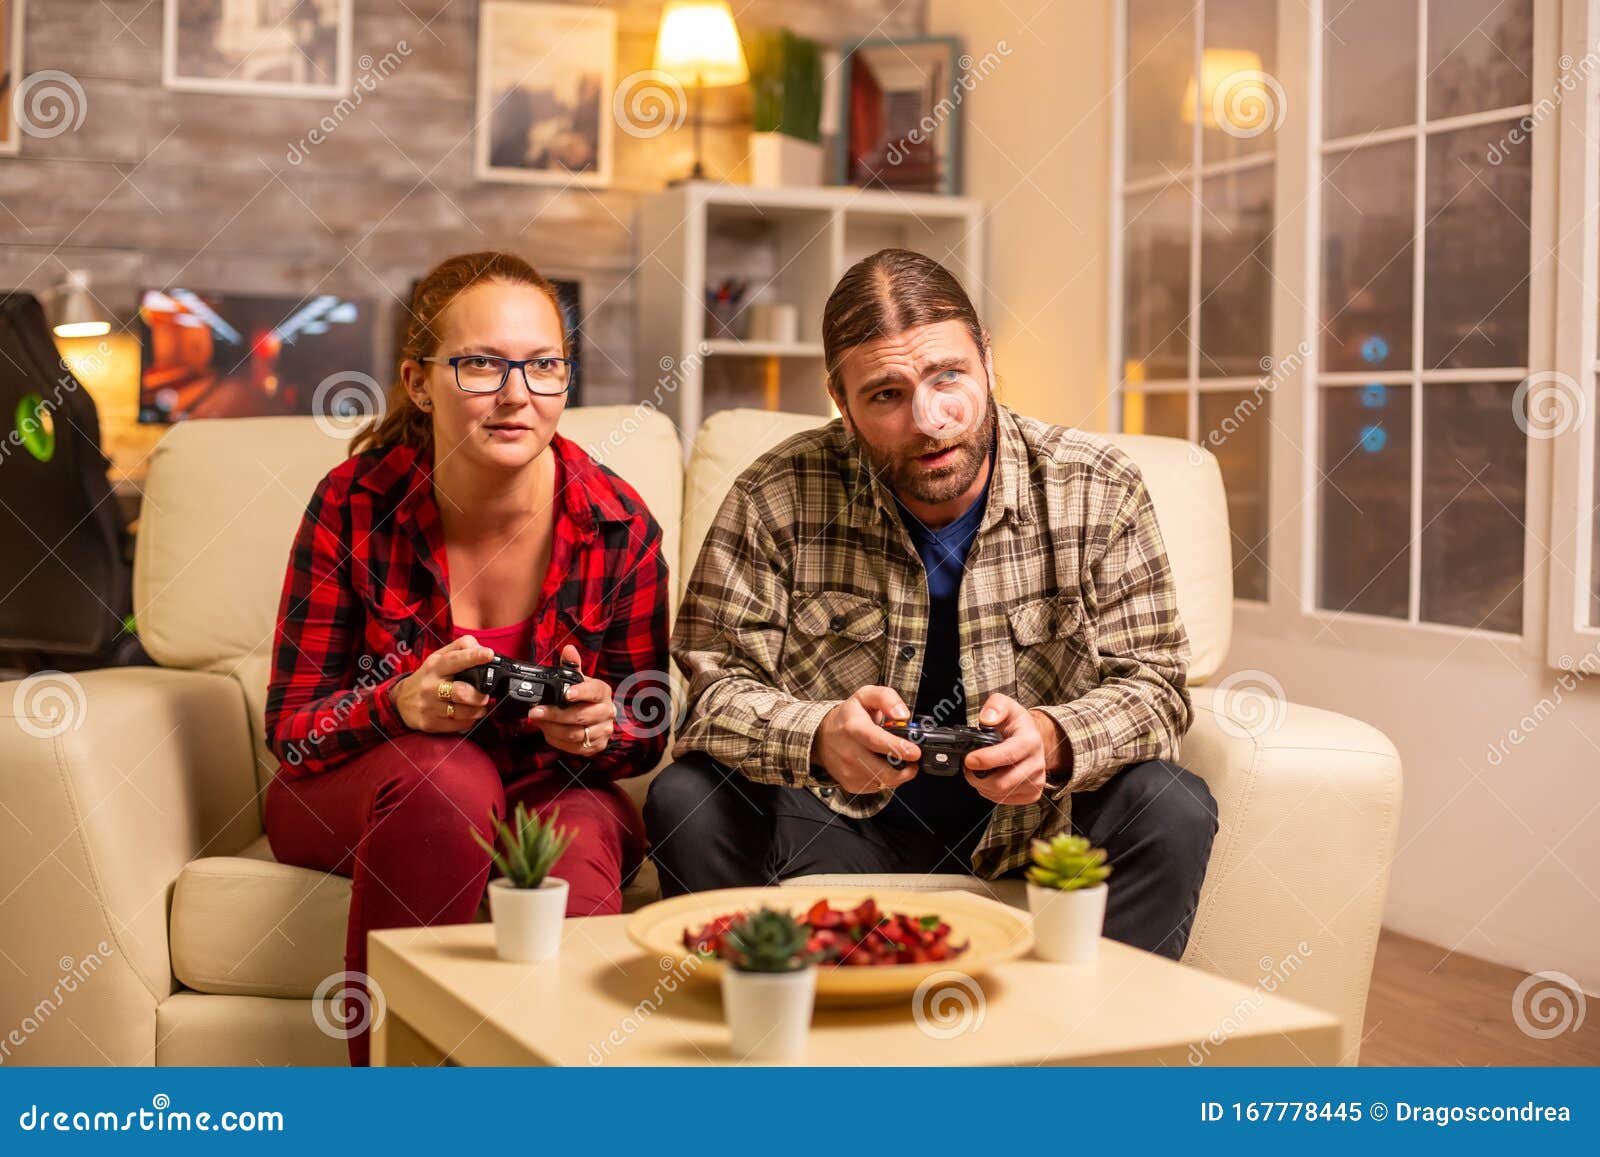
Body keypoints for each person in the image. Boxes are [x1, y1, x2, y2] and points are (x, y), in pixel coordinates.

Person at [645, 248, 1216, 961]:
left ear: (987, 362)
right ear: (842, 402)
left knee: (1172, 803)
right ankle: (776, 1019)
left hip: (1040, 828)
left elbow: (1156, 688)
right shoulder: (775, 495)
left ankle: (1086, 1027)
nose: (931, 420)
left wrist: (1052, 737)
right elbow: (711, 693)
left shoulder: (1097, 488)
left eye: (949, 377)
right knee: (687, 799)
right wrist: (817, 734)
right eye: (886, 395)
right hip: (839, 823)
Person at [263, 251, 669, 1065]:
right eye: (482, 364)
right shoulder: (354, 503)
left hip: (550, 784)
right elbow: (291, 726)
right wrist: (396, 703)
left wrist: (601, 726)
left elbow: (643, 729)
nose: (517, 394)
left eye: (544, 365)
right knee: (448, 783)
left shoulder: (620, 523)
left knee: (576, 847)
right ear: (419, 382)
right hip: (385, 786)